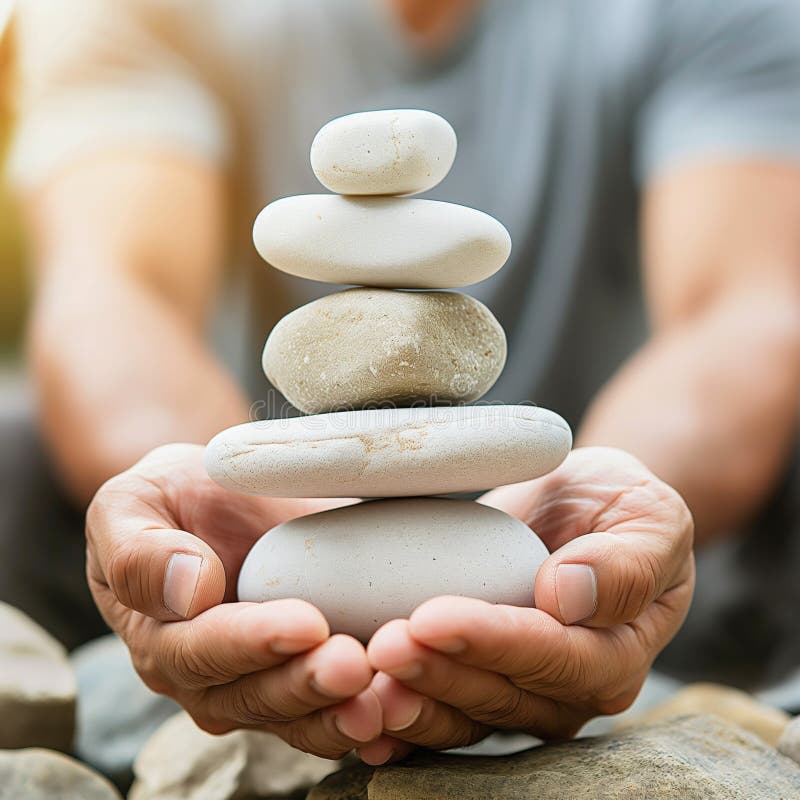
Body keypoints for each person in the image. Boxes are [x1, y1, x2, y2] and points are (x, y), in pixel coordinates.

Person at [3, 0, 800, 763]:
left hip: (602, 524)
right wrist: (256, 511)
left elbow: (737, 311)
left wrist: (578, 524)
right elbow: (112, 293)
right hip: (270, 514)